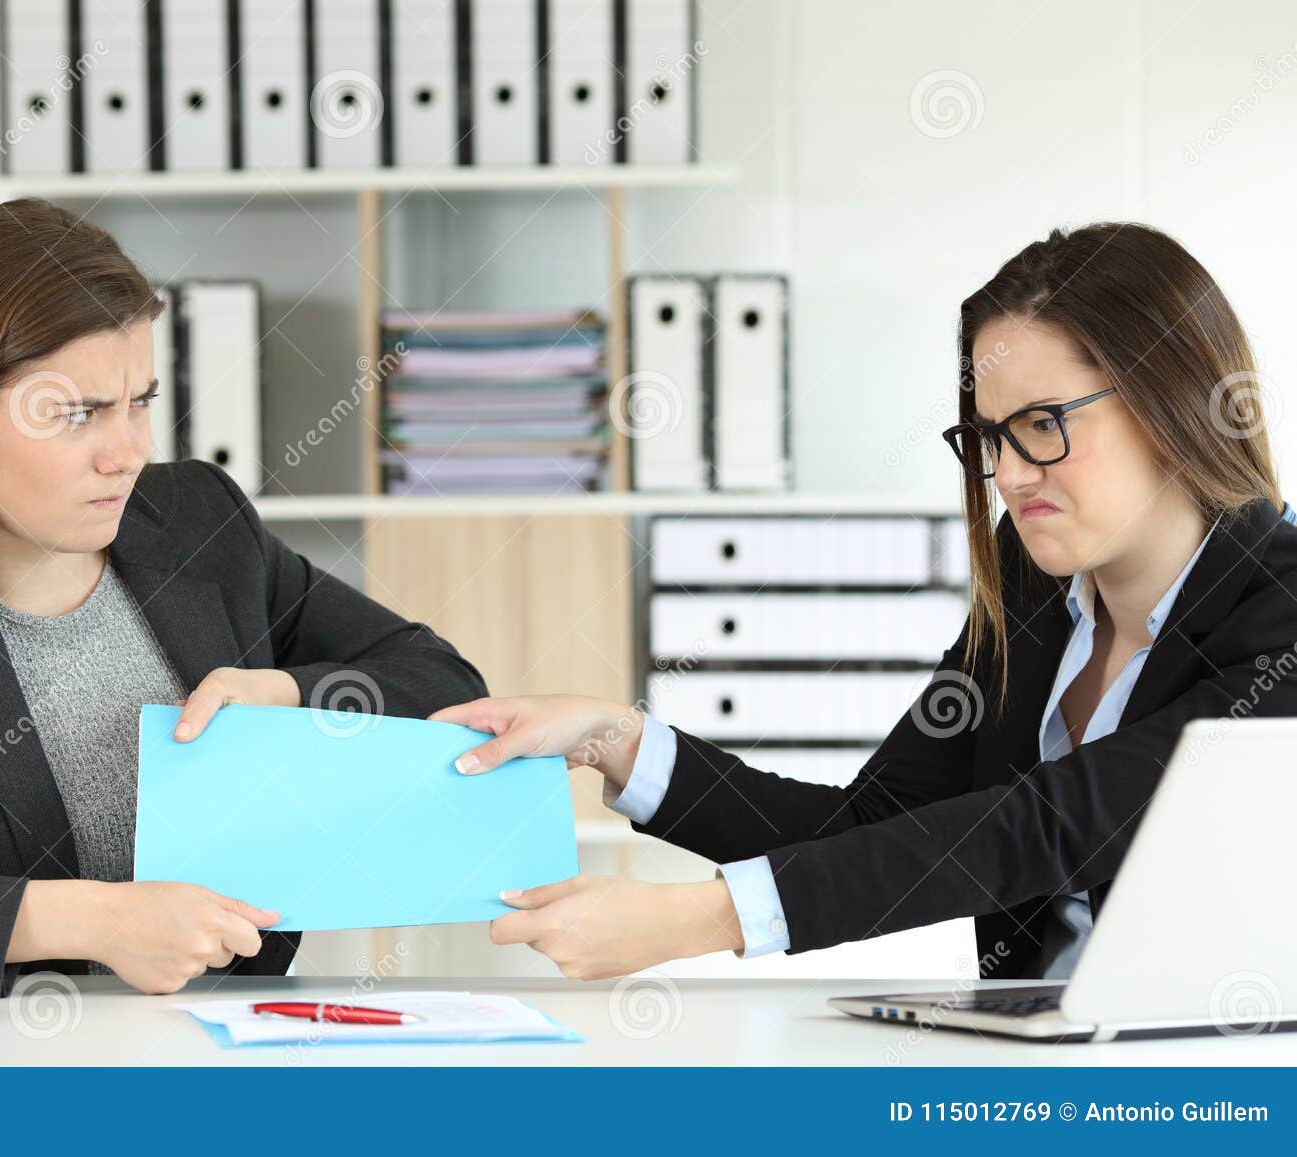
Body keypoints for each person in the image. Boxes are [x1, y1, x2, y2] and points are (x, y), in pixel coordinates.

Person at [435, 221, 1297, 982]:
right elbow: (872, 824)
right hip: (1037, 1055)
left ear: (1172, 400)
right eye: (991, 437)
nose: (1009, 474)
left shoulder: (1283, 605)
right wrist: (616, 740)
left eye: (1042, 424)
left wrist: (701, 919)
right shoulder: (1036, 574)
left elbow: (1049, 826)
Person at [0, 199, 486, 997]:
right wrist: (88, 919)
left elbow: (445, 683)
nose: (130, 452)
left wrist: (286, 691)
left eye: (141, 401)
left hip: (227, 1051)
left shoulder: (198, 522)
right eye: (77, 414)